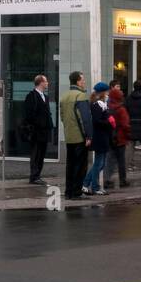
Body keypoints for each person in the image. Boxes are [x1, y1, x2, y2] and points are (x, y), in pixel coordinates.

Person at [59, 71, 93, 201]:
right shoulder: (81, 96)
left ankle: (69, 191)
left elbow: (62, 117)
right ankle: (76, 192)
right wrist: (89, 136)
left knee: (70, 165)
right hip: (80, 136)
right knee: (80, 166)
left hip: (69, 136)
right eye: (83, 80)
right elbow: (85, 118)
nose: (84, 82)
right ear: (78, 81)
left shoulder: (64, 96)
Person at [21, 74, 54, 186]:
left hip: (44, 131)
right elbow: (28, 114)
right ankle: (34, 176)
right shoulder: (31, 96)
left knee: (41, 154)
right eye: (46, 81)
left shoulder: (45, 97)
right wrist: (37, 123)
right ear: (41, 83)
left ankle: (38, 175)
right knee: (36, 154)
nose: (47, 83)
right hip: (36, 131)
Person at [82, 83, 114, 196]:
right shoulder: (97, 105)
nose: (108, 94)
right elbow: (96, 121)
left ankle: (85, 184)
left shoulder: (102, 104)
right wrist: (109, 122)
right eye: (107, 92)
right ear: (102, 92)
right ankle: (94, 187)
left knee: (100, 164)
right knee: (99, 164)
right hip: (99, 137)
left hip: (103, 136)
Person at [106, 84, 131, 189]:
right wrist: (128, 134)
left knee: (110, 159)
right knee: (121, 160)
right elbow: (125, 124)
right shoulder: (121, 109)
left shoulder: (108, 107)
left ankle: (107, 179)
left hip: (110, 137)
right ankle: (123, 180)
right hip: (120, 138)